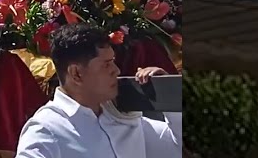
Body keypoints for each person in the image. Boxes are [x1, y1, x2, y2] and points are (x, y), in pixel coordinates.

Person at [15, 25, 180, 157]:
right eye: (106, 64)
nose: (116, 70)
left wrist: (168, 91)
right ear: (76, 73)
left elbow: (178, 147)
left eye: (113, 62)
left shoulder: (121, 117)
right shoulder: (46, 129)